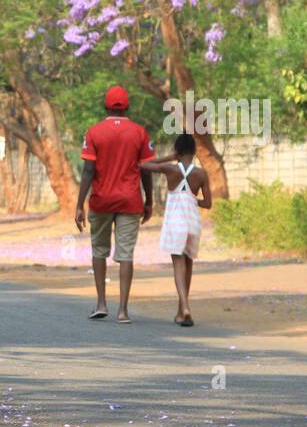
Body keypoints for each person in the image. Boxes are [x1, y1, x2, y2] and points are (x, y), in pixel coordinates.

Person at [75, 85, 154, 323]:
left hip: (101, 200)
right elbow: (147, 170)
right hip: (130, 200)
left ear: (106, 106)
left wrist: (79, 204)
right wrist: (149, 200)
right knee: (126, 254)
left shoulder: (94, 132)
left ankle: (101, 303)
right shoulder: (140, 133)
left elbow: (88, 171)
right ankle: (123, 310)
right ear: (127, 107)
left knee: (99, 250)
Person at [141, 133, 212, 326]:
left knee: (177, 264)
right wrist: (191, 199)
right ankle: (182, 311)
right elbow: (207, 203)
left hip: (175, 222)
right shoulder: (201, 174)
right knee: (188, 263)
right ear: (194, 151)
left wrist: (171, 157)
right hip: (192, 222)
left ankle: (185, 306)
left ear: (178, 151)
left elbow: (143, 165)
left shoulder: (170, 169)